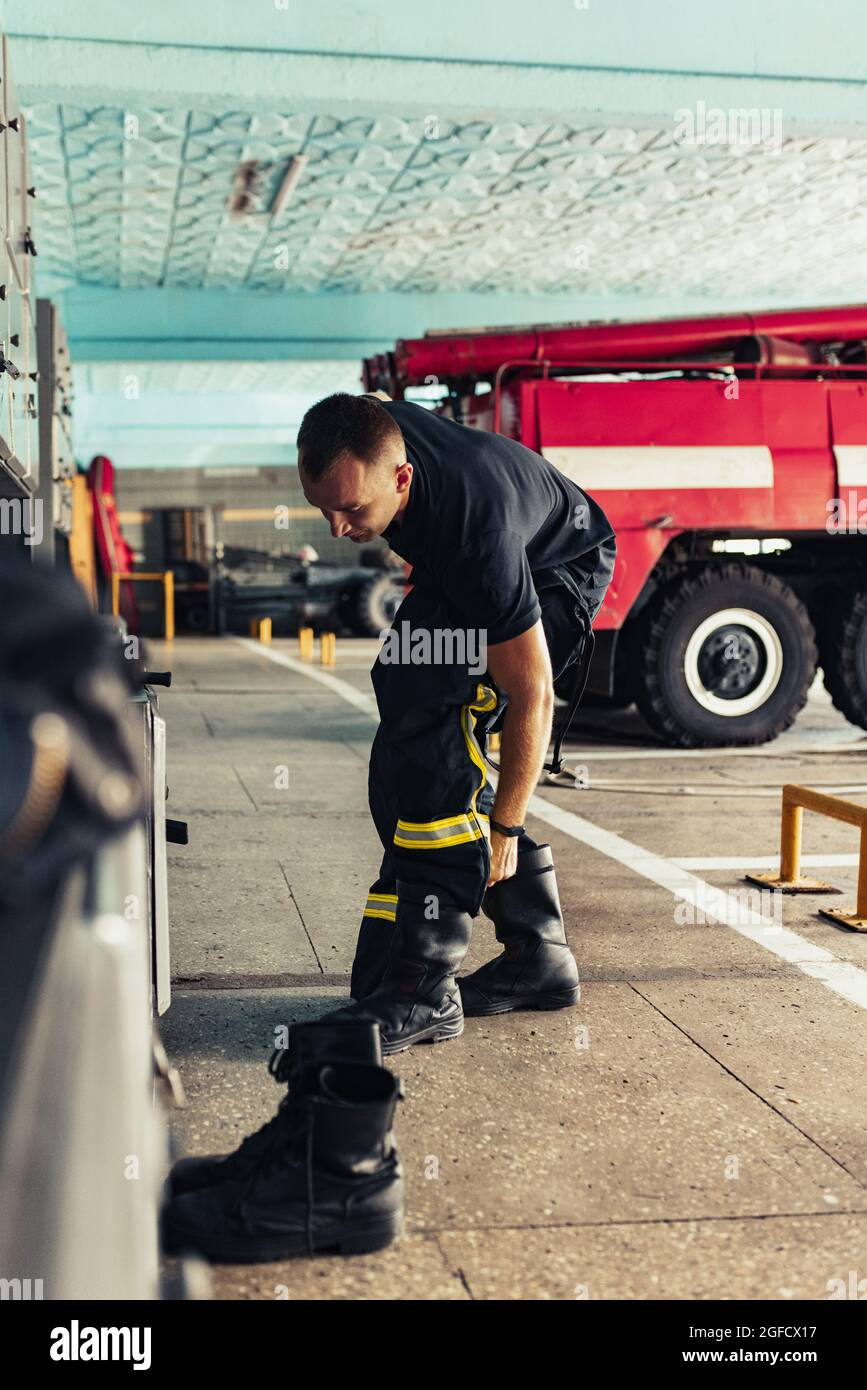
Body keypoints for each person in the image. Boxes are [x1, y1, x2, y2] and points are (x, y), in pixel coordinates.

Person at [297, 392, 616, 1055]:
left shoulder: (479, 533)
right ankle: (538, 954)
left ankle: (423, 991)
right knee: (403, 689)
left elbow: (531, 694)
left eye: (352, 510)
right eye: (321, 507)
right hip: (470, 555)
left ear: (402, 478)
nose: (336, 527)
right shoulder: (367, 430)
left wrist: (502, 827)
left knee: (440, 720)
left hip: (555, 569)